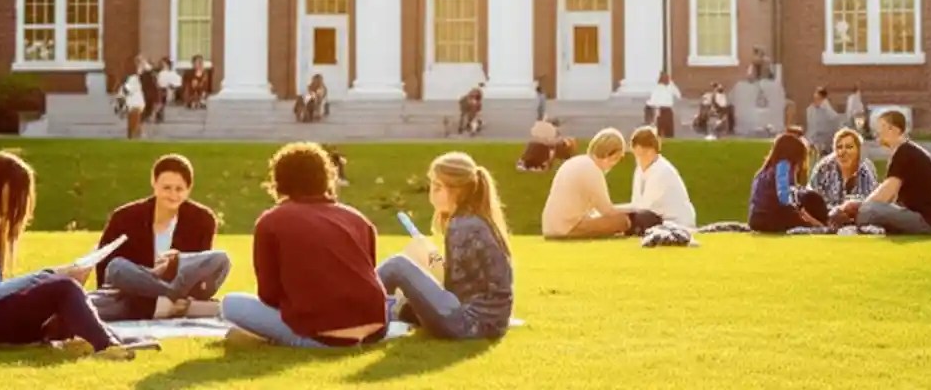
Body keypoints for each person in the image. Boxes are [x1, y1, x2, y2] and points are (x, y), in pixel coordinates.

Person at [0, 151, 142, 359]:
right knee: (63, 288)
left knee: (64, 292)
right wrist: (50, 275)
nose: (22, 202)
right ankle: (106, 345)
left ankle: (109, 340)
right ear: (2, 188)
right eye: (19, 192)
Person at [221, 142, 387, 348]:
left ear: (279, 180)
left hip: (320, 336)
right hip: (376, 328)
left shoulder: (271, 221)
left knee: (230, 303)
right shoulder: (358, 219)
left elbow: (268, 295)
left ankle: (272, 339)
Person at [376, 152, 513, 340]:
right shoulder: (476, 221)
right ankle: (378, 313)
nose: (431, 193)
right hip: (490, 324)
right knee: (404, 301)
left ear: (458, 191)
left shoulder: (462, 226)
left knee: (397, 265)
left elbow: (451, 290)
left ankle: (349, 305)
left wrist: (432, 264)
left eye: (438, 187)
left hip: (469, 323)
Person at [90, 154, 231, 321]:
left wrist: (175, 262)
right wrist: (151, 276)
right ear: (154, 184)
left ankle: (166, 303)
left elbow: (200, 270)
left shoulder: (202, 219)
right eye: (166, 188)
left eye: (179, 189)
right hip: (131, 290)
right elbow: (105, 271)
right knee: (116, 267)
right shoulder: (124, 217)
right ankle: (171, 298)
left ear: (188, 190)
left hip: (178, 280)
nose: (173, 195)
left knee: (222, 259)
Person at [837, 111, 931, 235]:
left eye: (881, 127)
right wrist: (859, 203)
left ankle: (846, 227)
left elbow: (886, 195)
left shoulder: (904, 153)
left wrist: (860, 207)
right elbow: (890, 198)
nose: (877, 132)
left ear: (893, 129)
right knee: (865, 206)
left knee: (870, 210)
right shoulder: (906, 151)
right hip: (921, 219)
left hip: (923, 222)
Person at [541, 128, 632, 239]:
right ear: (611, 154)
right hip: (567, 228)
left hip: (551, 226)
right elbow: (607, 211)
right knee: (622, 221)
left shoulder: (577, 162)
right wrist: (631, 213)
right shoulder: (593, 169)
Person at [616, 126, 696, 228]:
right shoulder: (640, 170)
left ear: (652, 151)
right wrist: (610, 210)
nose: (639, 159)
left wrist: (612, 210)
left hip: (675, 222)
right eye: (636, 154)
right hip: (655, 219)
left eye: (642, 154)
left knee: (633, 219)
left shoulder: (663, 171)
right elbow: (636, 203)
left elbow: (643, 208)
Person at [747, 133, 827, 233]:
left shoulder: (763, 172)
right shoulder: (784, 166)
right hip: (771, 217)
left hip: (755, 218)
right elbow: (784, 196)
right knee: (807, 224)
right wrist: (797, 210)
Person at [808, 127, 879, 207]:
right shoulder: (824, 168)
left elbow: (870, 203)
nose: (843, 152)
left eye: (849, 147)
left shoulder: (866, 169)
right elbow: (811, 198)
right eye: (839, 147)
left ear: (859, 151)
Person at [805, 87, 841, 161]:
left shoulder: (828, 111)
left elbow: (835, 120)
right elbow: (811, 128)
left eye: (818, 99)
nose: (815, 101)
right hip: (812, 142)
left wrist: (825, 106)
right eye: (814, 98)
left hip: (825, 144)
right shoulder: (810, 110)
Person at [117, 58, 145, 140]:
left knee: (133, 126)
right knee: (133, 126)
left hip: (135, 105)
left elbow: (126, 91)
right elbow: (121, 96)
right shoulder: (130, 80)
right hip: (132, 105)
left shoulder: (133, 79)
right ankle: (135, 137)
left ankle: (134, 137)